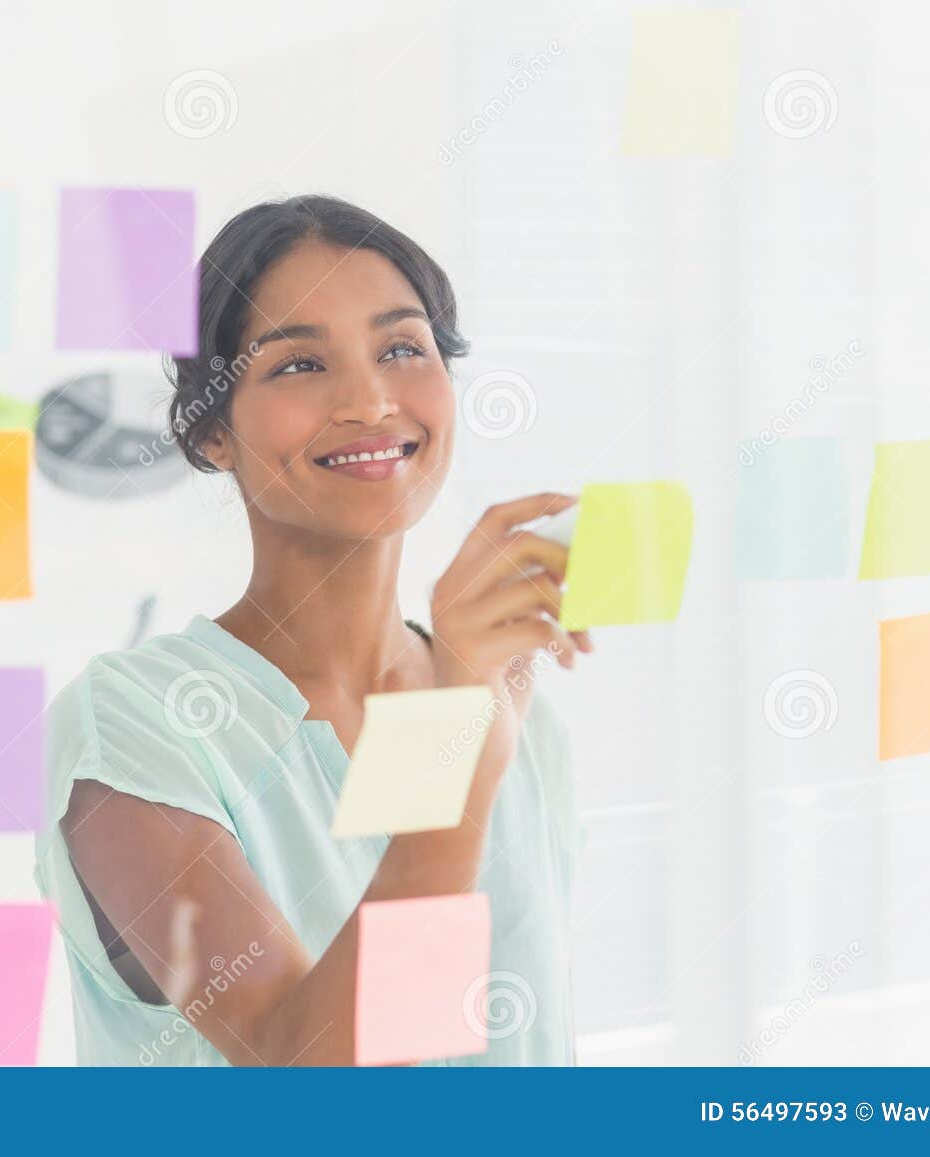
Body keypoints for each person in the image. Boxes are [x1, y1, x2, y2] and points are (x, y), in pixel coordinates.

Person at [33, 194, 590, 1065]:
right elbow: (303, 1074)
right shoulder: (135, 727)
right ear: (214, 430)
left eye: (403, 348)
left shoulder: (519, 713)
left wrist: (470, 709)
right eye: (299, 365)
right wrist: (460, 739)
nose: (369, 400)